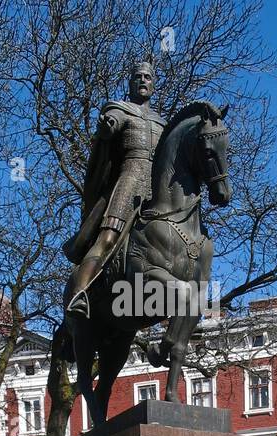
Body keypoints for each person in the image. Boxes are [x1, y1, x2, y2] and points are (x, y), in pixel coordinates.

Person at [63, 62, 166, 323]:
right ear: (130, 83)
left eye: (148, 77)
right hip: (128, 183)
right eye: (138, 77)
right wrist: (106, 129)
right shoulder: (120, 110)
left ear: (153, 84)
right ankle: (80, 294)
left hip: (157, 191)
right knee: (108, 238)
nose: (143, 81)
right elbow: (109, 130)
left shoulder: (162, 123)